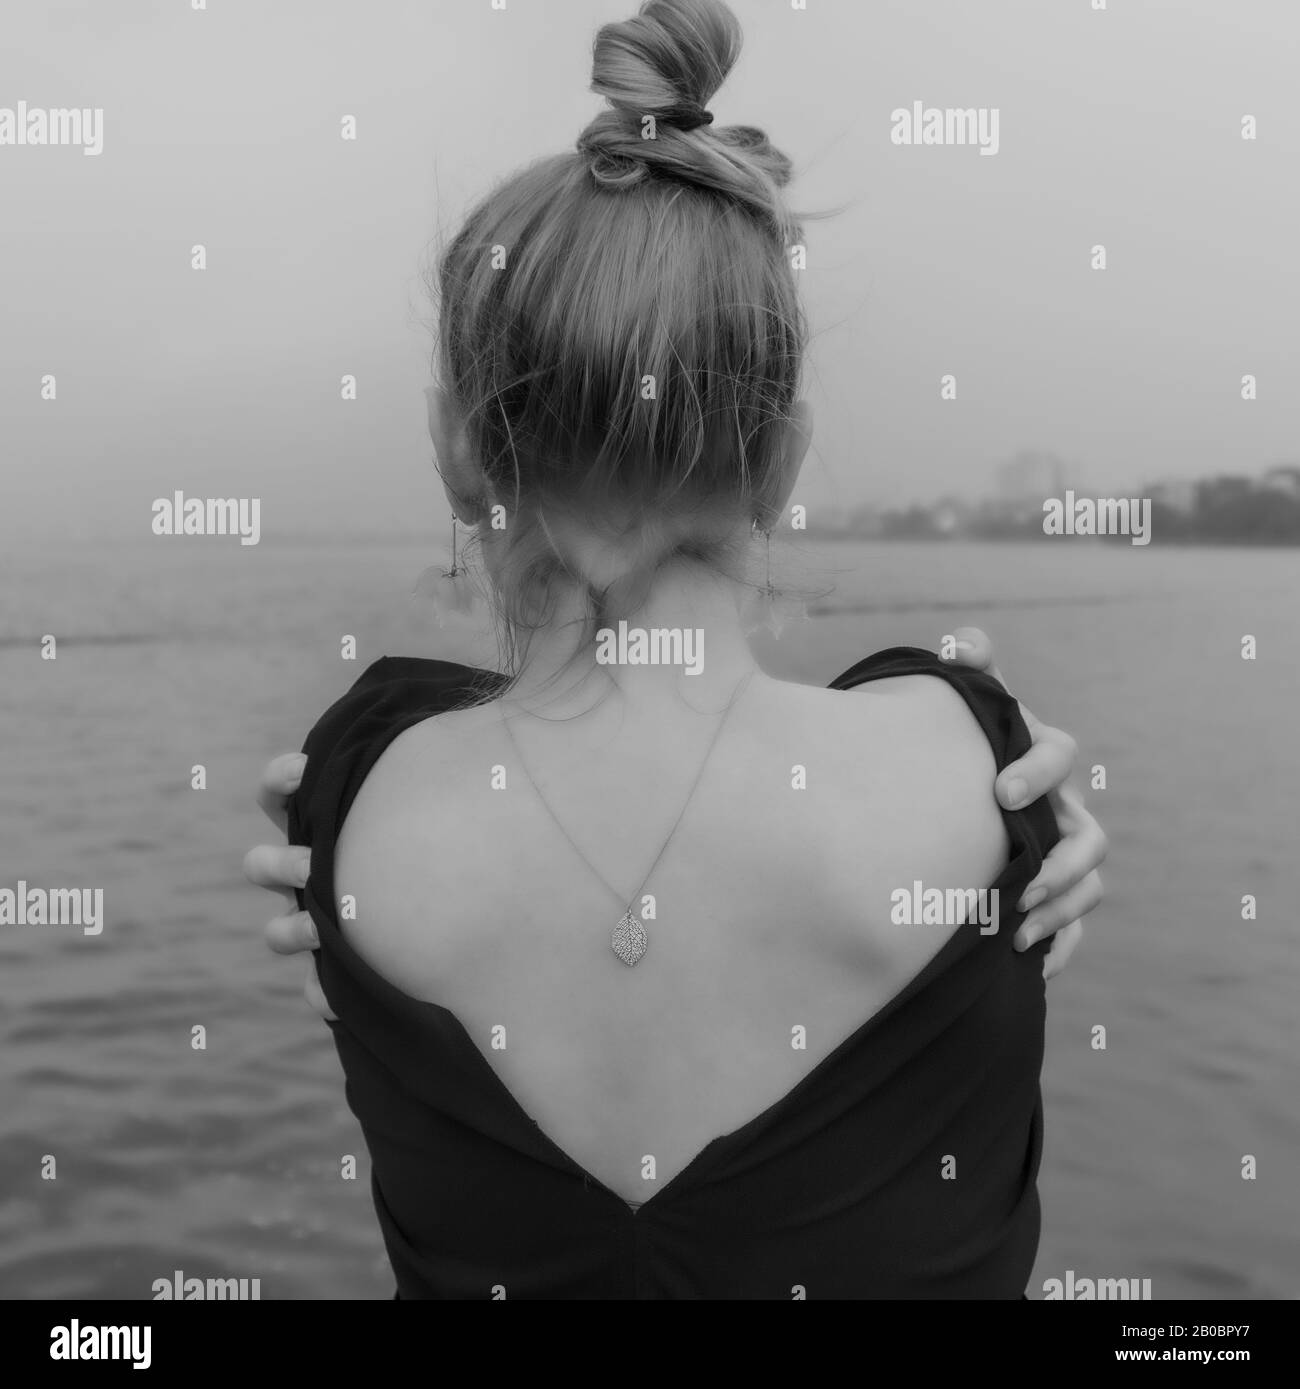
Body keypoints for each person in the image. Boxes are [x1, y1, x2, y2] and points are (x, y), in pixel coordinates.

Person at [245, 0, 1107, 1298]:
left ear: (456, 448)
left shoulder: (357, 799)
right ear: (787, 456)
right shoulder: (972, 773)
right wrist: (990, 750)